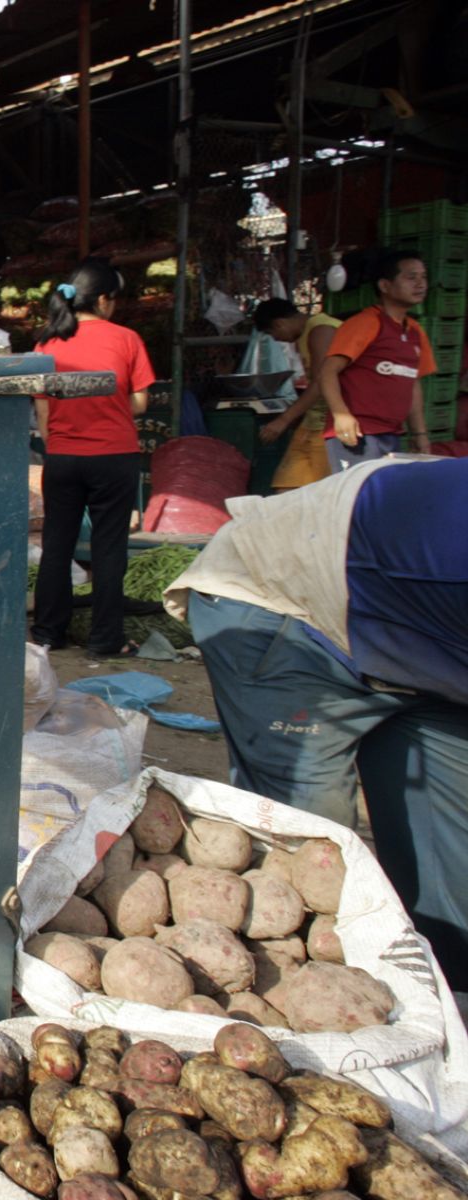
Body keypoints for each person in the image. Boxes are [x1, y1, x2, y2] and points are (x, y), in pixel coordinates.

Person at [165, 457, 467, 991]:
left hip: (422, 648)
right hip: (288, 603)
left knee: (450, 855)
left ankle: (447, 1000)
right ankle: (304, 1011)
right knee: (307, 860)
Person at [29, 258, 156, 657]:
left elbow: (44, 413)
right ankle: (106, 639)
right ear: (103, 300)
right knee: (108, 548)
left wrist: (59, 445)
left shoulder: (47, 343)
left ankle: (49, 634)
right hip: (114, 456)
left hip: (63, 457)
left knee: (57, 545)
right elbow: (139, 402)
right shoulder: (126, 339)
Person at [317, 248, 435, 471]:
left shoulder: (416, 332)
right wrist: (341, 415)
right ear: (385, 286)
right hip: (358, 434)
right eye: (411, 277)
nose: (420, 284)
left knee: (383, 499)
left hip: (392, 433)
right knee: (360, 500)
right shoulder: (365, 323)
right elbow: (327, 372)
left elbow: (413, 384)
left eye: (423, 277)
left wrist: (420, 433)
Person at [254, 298, 342, 491]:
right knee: (285, 488)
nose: (276, 339)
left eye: (272, 333)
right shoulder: (305, 334)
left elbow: (321, 382)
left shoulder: (321, 330)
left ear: (279, 323)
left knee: (327, 493)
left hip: (332, 425)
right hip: (313, 422)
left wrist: (284, 420)